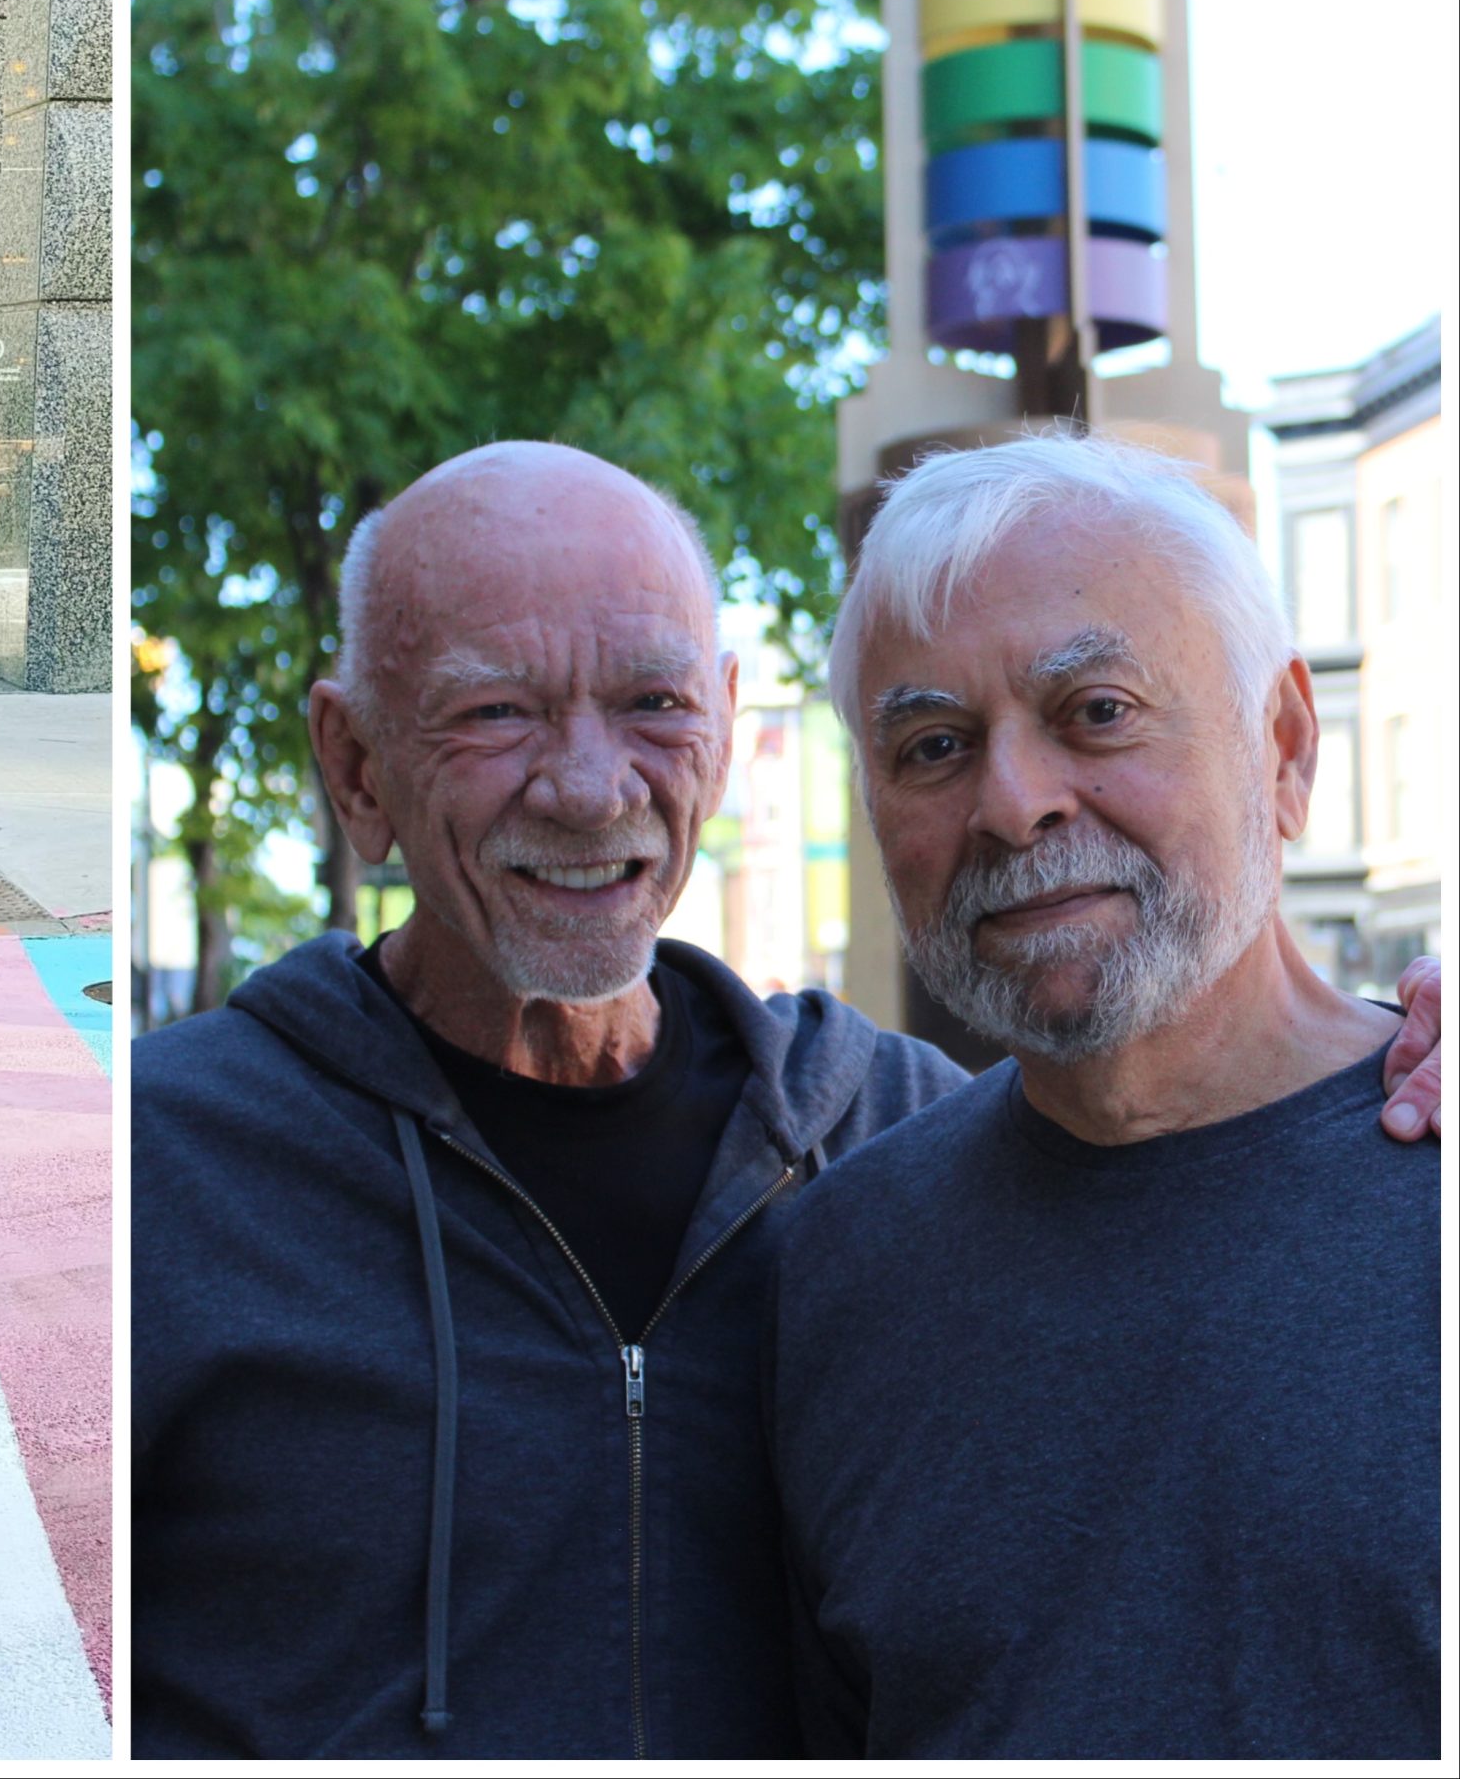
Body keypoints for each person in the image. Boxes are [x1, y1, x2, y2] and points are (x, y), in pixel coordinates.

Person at [129, 440, 1443, 1758]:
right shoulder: (146, 1171)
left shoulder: (856, 1137)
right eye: (494, 712)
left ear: (1282, 745)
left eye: (1098, 710)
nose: (589, 787)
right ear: (355, 770)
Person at [767, 432, 1437, 1758]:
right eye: (935, 744)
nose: (1015, 803)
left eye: (1099, 712)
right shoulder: (831, 1272)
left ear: (1286, 745)